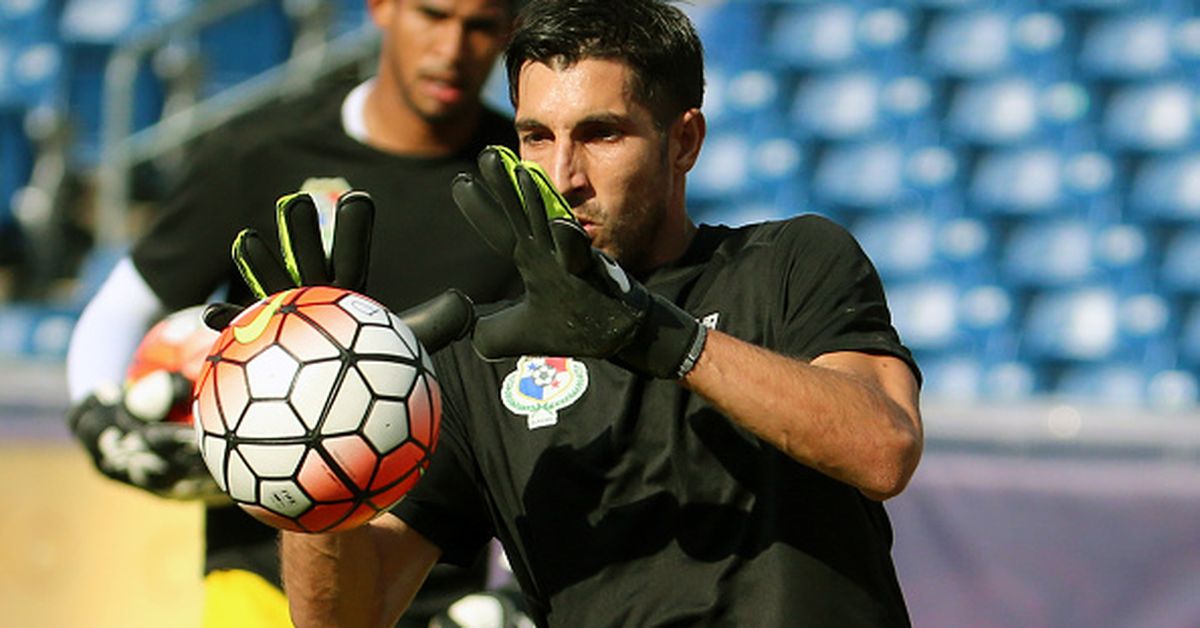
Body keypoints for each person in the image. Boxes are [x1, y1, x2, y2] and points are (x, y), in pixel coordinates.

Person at [255, 0, 925, 626]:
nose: (564, 174)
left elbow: (882, 451)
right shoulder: (479, 358)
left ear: (684, 140)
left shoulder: (788, 259)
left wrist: (658, 335)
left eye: (601, 134)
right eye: (536, 136)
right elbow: (347, 616)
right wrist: (317, 454)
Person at [64, 1, 524, 626]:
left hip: (439, 587)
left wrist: (516, 583)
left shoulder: (518, 179)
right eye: (433, 14)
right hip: (260, 574)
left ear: (511, 30)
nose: (452, 47)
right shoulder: (260, 150)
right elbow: (125, 304)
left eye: (479, 25)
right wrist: (98, 415)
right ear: (381, 7)